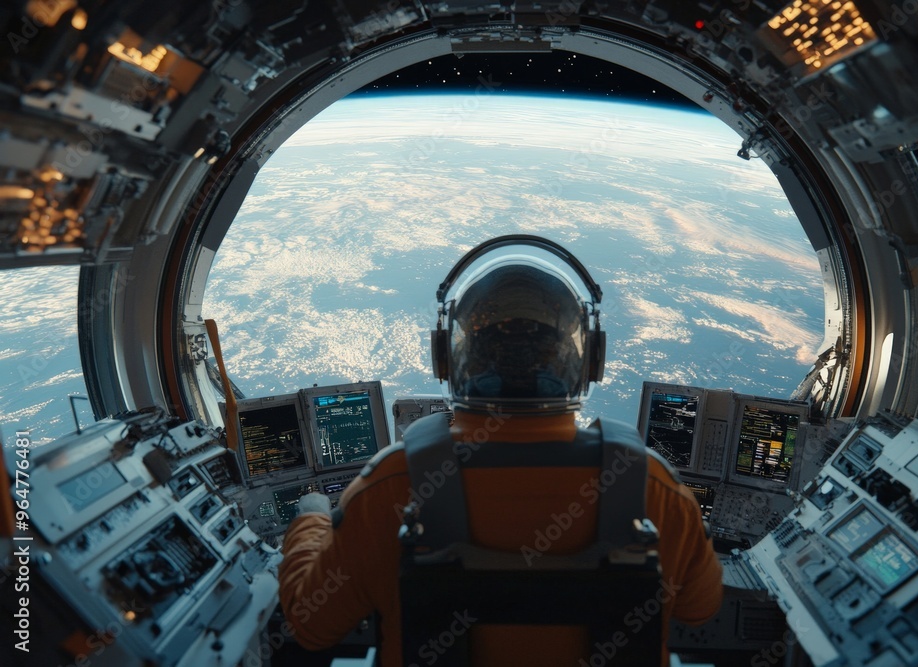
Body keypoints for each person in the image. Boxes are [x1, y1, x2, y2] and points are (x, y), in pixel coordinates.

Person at [279, 236, 723, 666]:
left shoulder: (391, 487)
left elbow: (311, 625)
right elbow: (700, 610)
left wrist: (311, 518)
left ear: (446, 360)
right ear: (591, 363)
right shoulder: (655, 490)